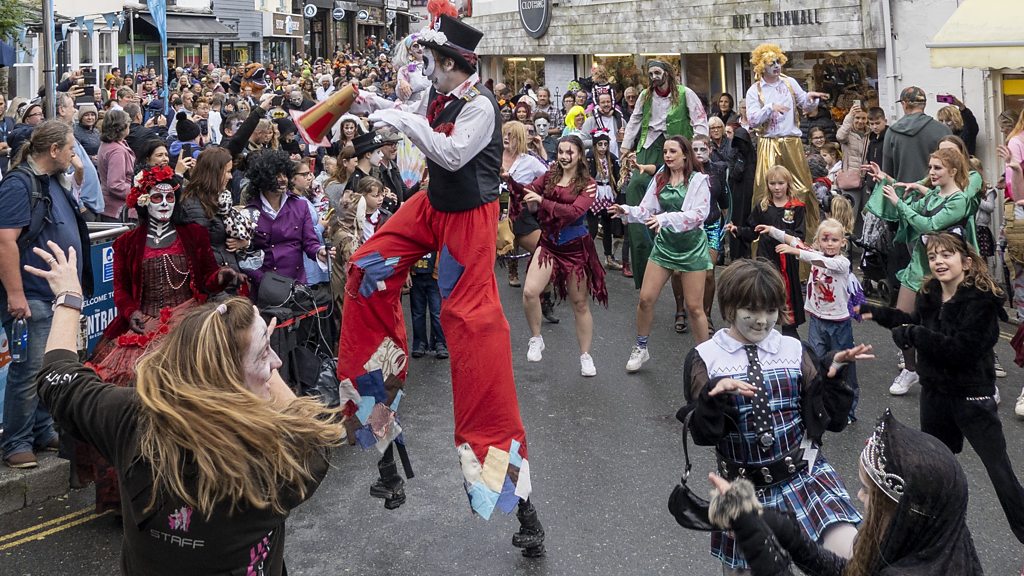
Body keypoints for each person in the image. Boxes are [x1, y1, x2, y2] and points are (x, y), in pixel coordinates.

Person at [343, 12, 545, 554]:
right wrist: (362, 104)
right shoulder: (442, 97)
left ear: (453, 65)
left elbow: (449, 151)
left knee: (472, 333)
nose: (426, 69)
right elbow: (405, 117)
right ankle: (379, 423)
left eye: (432, 61)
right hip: (432, 208)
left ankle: (519, 501)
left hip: (469, 227)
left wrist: (399, 118)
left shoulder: (480, 106)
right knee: (366, 269)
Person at [28, 241, 342, 574]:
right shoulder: (274, 457)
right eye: (266, 354)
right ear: (231, 381)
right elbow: (312, 429)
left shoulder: (133, 418)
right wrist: (257, 339)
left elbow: (57, 377)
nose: (277, 361)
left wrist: (69, 297)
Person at [682, 258, 866, 574]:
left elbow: (831, 422)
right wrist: (714, 397)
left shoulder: (795, 349)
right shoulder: (706, 358)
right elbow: (704, 435)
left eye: (770, 311)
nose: (762, 321)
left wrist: (835, 377)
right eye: (751, 310)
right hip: (743, 492)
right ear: (730, 306)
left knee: (853, 560)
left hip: (805, 478)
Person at [859, 232, 1024, 545]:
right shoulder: (931, 293)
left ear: (966, 260)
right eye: (933, 256)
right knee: (933, 471)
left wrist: (914, 334)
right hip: (935, 394)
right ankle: (933, 540)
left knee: (1000, 473)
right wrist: (877, 313)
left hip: (971, 397)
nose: (938, 261)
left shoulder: (981, 300)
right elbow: (912, 321)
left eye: (946, 255)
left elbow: (962, 349)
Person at [703, 410, 982, 576]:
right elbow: (845, 572)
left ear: (901, 510)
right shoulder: (938, 541)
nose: (859, 496)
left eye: (867, 490)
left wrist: (754, 536)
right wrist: (770, 521)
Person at [0, 121, 91, 469]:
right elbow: (5, 240)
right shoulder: (18, 184)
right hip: (33, 295)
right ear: (53, 150)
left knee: (46, 370)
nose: (74, 154)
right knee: (29, 370)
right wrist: (15, 294)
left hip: (53, 295)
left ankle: (40, 429)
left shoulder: (51, 180)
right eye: (70, 147)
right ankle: (17, 441)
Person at [864, 148, 973, 395]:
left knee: (949, 328)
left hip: (944, 272)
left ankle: (971, 376)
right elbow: (913, 202)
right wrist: (885, 180)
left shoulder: (958, 200)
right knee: (900, 320)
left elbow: (928, 225)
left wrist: (899, 204)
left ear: (953, 171)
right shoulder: (934, 194)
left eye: (938, 168)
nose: (931, 173)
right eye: (931, 167)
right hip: (918, 267)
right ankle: (911, 369)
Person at [610, 136, 712, 372]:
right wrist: (626, 210)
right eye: (665, 151)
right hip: (665, 246)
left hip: (692, 247)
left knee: (695, 308)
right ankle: (641, 347)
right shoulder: (660, 178)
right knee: (645, 299)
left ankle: (706, 356)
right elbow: (647, 210)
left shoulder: (698, 181)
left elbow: (698, 215)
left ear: (685, 155)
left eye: (672, 151)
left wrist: (664, 218)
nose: (667, 155)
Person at [507, 135, 606, 376]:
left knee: (580, 304)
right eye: (560, 151)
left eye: (568, 152)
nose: (563, 156)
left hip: (575, 248)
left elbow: (573, 212)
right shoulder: (550, 176)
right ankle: (536, 338)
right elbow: (529, 190)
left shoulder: (588, 184)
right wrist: (511, 182)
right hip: (549, 244)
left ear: (580, 155)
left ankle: (585, 356)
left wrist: (542, 201)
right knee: (530, 292)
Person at [620, 59, 709, 287]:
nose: (654, 77)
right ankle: (641, 263)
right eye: (650, 73)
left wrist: (698, 148)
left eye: (657, 72)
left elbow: (699, 119)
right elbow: (635, 120)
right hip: (650, 146)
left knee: (682, 194)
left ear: (667, 73)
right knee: (636, 186)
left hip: (677, 147)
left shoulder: (685, 93)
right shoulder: (645, 96)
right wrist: (625, 147)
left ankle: (683, 251)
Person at [768, 218, 860, 422]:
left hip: (839, 323)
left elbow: (818, 260)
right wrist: (772, 229)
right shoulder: (815, 253)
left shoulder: (842, 263)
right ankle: (819, 404)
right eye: (825, 239)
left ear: (843, 242)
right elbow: (793, 241)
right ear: (818, 241)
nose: (830, 244)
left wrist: (798, 254)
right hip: (817, 321)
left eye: (835, 240)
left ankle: (848, 409)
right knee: (815, 363)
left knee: (844, 365)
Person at [744, 44, 829, 249]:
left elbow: (805, 105)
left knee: (802, 188)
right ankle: (763, 243)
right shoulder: (754, 90)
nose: (776, 66)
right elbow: (753, 120)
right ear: (761, 66)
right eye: (771, 63)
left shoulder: (789, 83)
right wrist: (770, 107)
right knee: (766, 189)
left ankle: (807, 245)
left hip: (791, 142)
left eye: (778, 62)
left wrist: (811, 100)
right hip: (768, 143)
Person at [725, 165, 807, 337]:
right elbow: (752, 230)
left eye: (780, 183)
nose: (777, 187)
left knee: (787, 300)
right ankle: (761, 334)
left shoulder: (796, 207)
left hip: (786, 260)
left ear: (788, 184)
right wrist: (737, 230)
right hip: (766, 258)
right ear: (767, 185)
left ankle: (790, 338)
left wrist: (780, 235)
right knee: (764, 295)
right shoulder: (763, 206)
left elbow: (799, 236)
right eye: (772, 183)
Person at [244, 149, 329, 290]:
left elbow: (310, 242)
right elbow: (245, 256)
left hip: (297, 285)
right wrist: (262, 280)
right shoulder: (250, 211)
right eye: (276, 175)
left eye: (285, 174)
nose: (283, 179)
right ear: (263, 177)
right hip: (266, 288)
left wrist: (319, 252)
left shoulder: (300, 205)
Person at [179, 146, 246, 274]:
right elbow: (202, 250)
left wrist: (243, 243)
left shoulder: (221, 200)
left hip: (226, 272)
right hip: (215, 279)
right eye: (227, 172)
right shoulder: (193, 205)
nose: (230, 176)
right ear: (214, 173)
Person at [691, 134, 729, 334]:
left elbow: (724, 200)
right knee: (681, 273)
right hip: (689, 227)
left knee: (708, 273)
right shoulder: (684, 170)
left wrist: (727, 224)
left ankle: (706, 314)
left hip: (712, 225)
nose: (698, 154)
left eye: (702, 149)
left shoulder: (718, 170)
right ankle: (681, 310)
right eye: (695, 150)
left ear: (710, 150)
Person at [586, 130, 623, 270]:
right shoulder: (589, 157)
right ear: (595, 145)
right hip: (594, 193)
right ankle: (586, 256)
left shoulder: (612, 158)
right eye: (600, 144)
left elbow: (617, 176)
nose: (602, 148)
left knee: (608, 226)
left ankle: (609, 256)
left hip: (608, 192)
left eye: (605, 144)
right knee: (593, 228)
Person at [96, 109, 136, 222]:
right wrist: (137, 192)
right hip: (118, 211)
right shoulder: (116, 151)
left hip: (112, 208)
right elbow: (115, 184)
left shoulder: (109, 145)